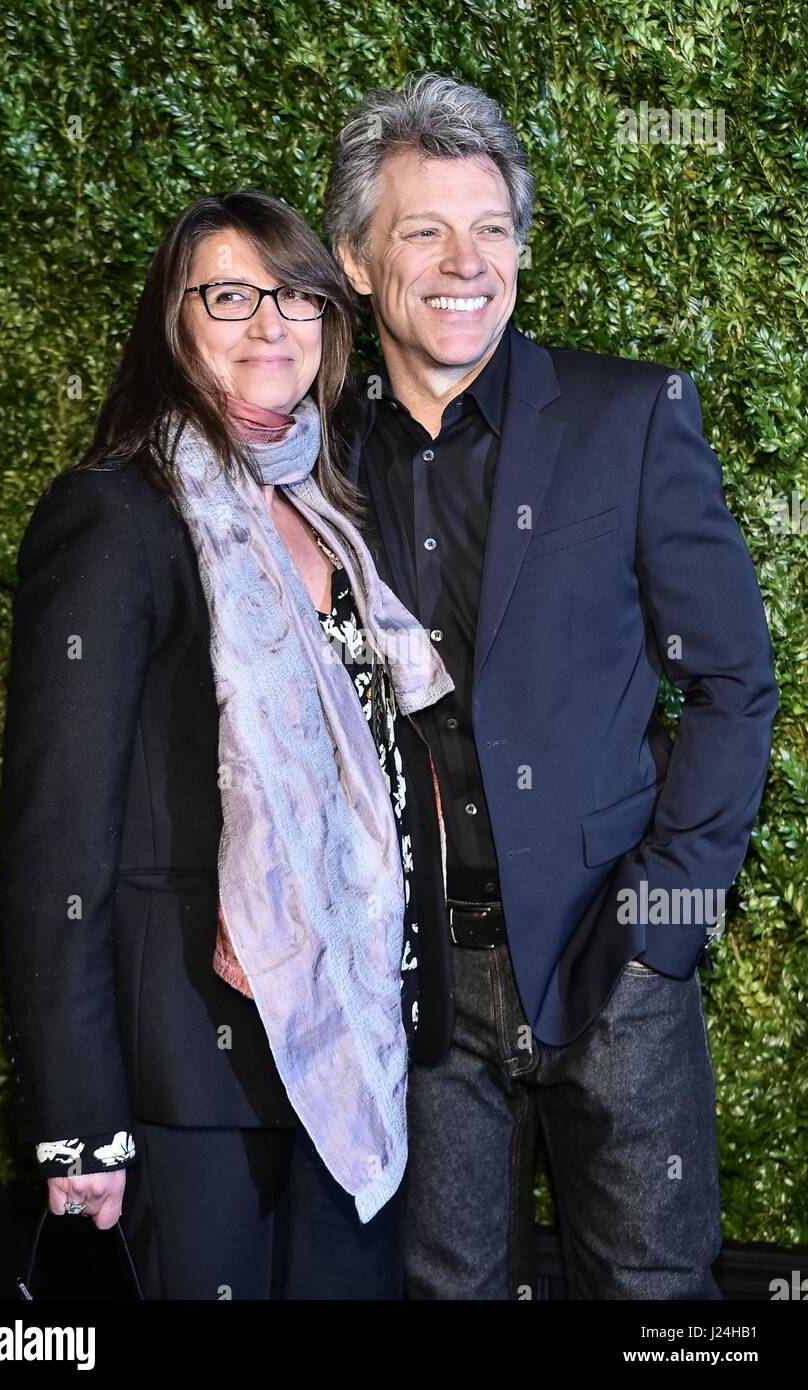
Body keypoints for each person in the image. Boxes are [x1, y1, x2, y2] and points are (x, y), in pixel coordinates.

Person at [324, 72, 779, 1299]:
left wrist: (662, 930)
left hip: (612, 962)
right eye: (425, 230)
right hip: (415, 988)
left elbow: (736, 682)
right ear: (358, 263)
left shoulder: (630, 416)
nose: (466, 262)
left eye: (493, 229)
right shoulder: (320, 456)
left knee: (659, 1305)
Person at [0, 189, 453, 1300]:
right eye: (231, 295)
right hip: (188, 1085)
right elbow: (54, 841)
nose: (270, 325)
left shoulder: (336, 508)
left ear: (330, 326)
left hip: (345, 1057)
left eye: (295, 296)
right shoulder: (116, 514)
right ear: (174, 319)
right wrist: (78, 1126)